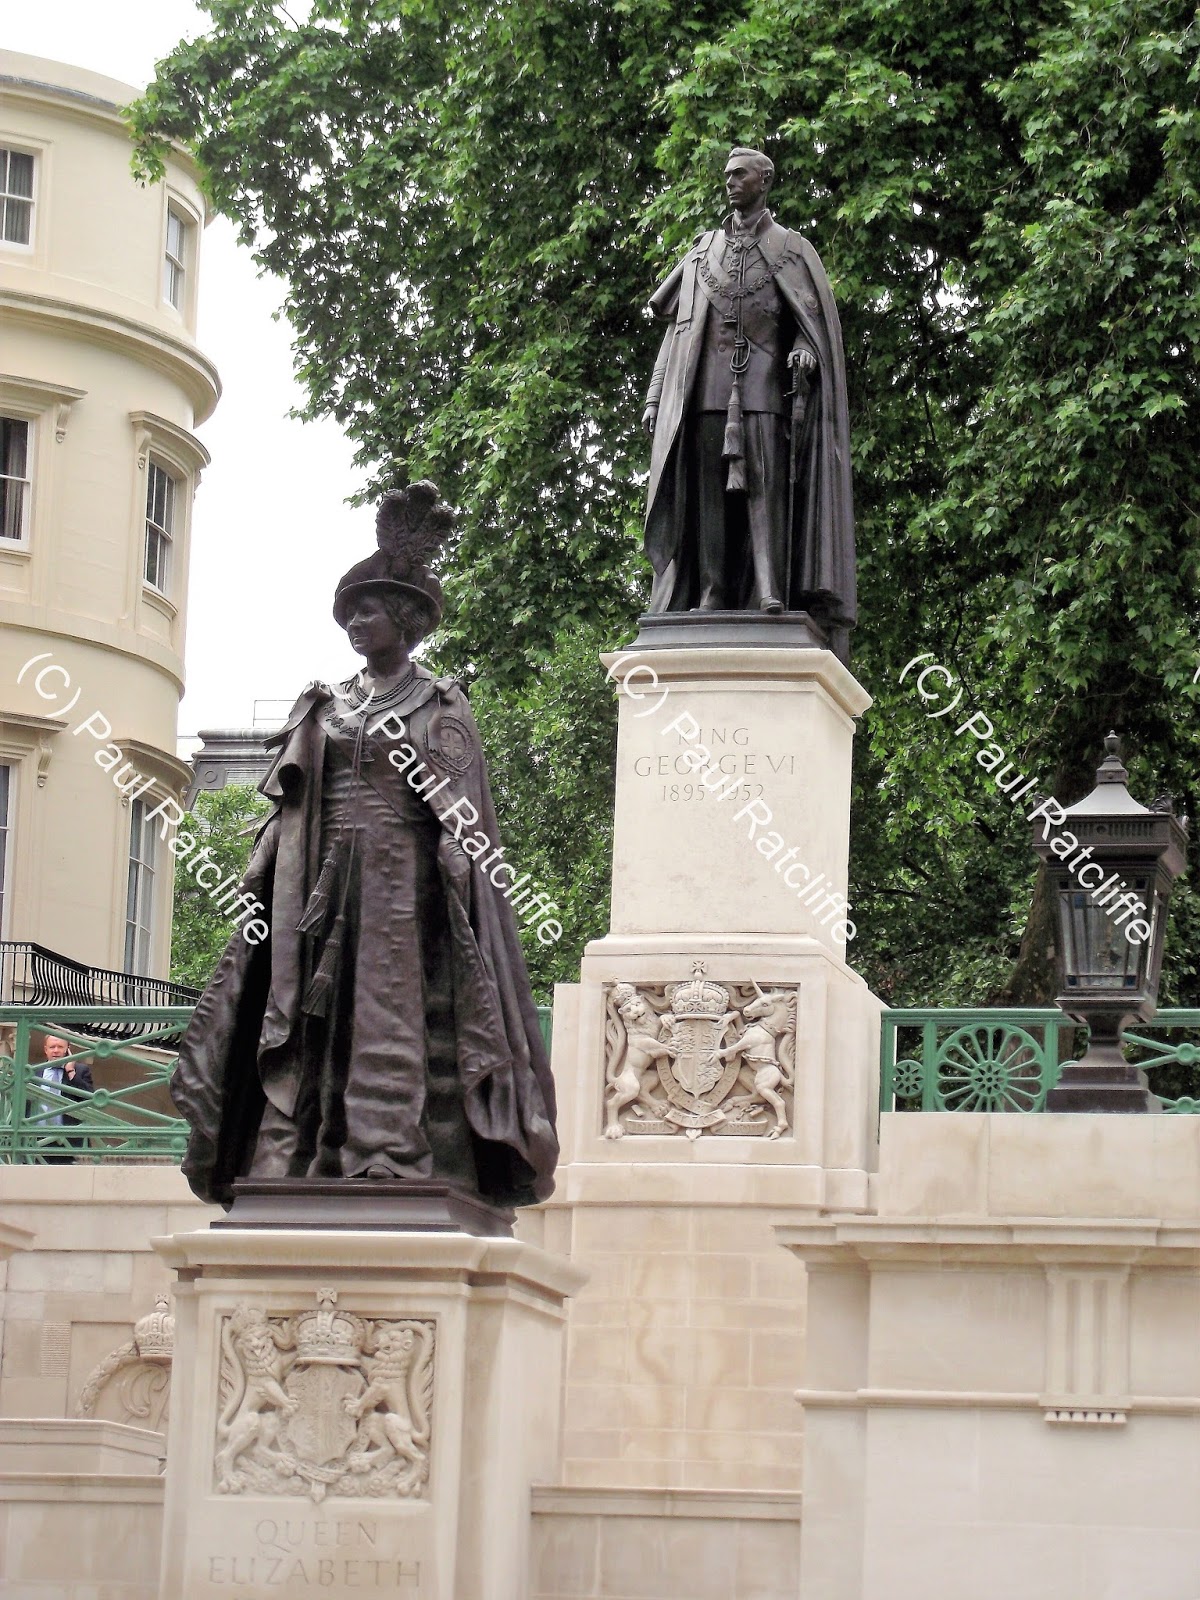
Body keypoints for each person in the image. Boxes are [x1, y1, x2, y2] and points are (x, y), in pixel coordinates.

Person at [170, 482, 558, 1210]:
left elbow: (460, 809)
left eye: (370, 611)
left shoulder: (438, 703)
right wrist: (264, 873)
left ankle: (385, 1153)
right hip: (317, 884)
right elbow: (289, 802)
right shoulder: (328, 701)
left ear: (405, 621)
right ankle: (296, 1155)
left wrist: (456, 869)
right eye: (350, 613)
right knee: (303, 1013)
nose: (356, 623)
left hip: (398, 886)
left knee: (386, 1014)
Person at [642, 146, 856, 658]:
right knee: (710, 499)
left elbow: (809, 327)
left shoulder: (792, 250)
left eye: (740, 175)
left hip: (765, 392)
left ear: (766, 181)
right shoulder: (702, 250)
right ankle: (713, 590)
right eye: (727, 176)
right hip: (707, 394)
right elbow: (676, 333)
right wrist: (656, 397)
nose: (730, 182)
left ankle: (769, 589)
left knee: (764, 492)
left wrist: (806, 351)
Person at [39, 1033, 93, 1163]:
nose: (56, 1050)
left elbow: (90, 1099)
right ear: (46, 1050)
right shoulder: (34, 1071)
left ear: (67, 1049)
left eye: (60, 1047)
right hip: (36, 1139)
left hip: (69, 1141)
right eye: (52, 1047)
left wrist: (71, 1072)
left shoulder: (80, 1070)